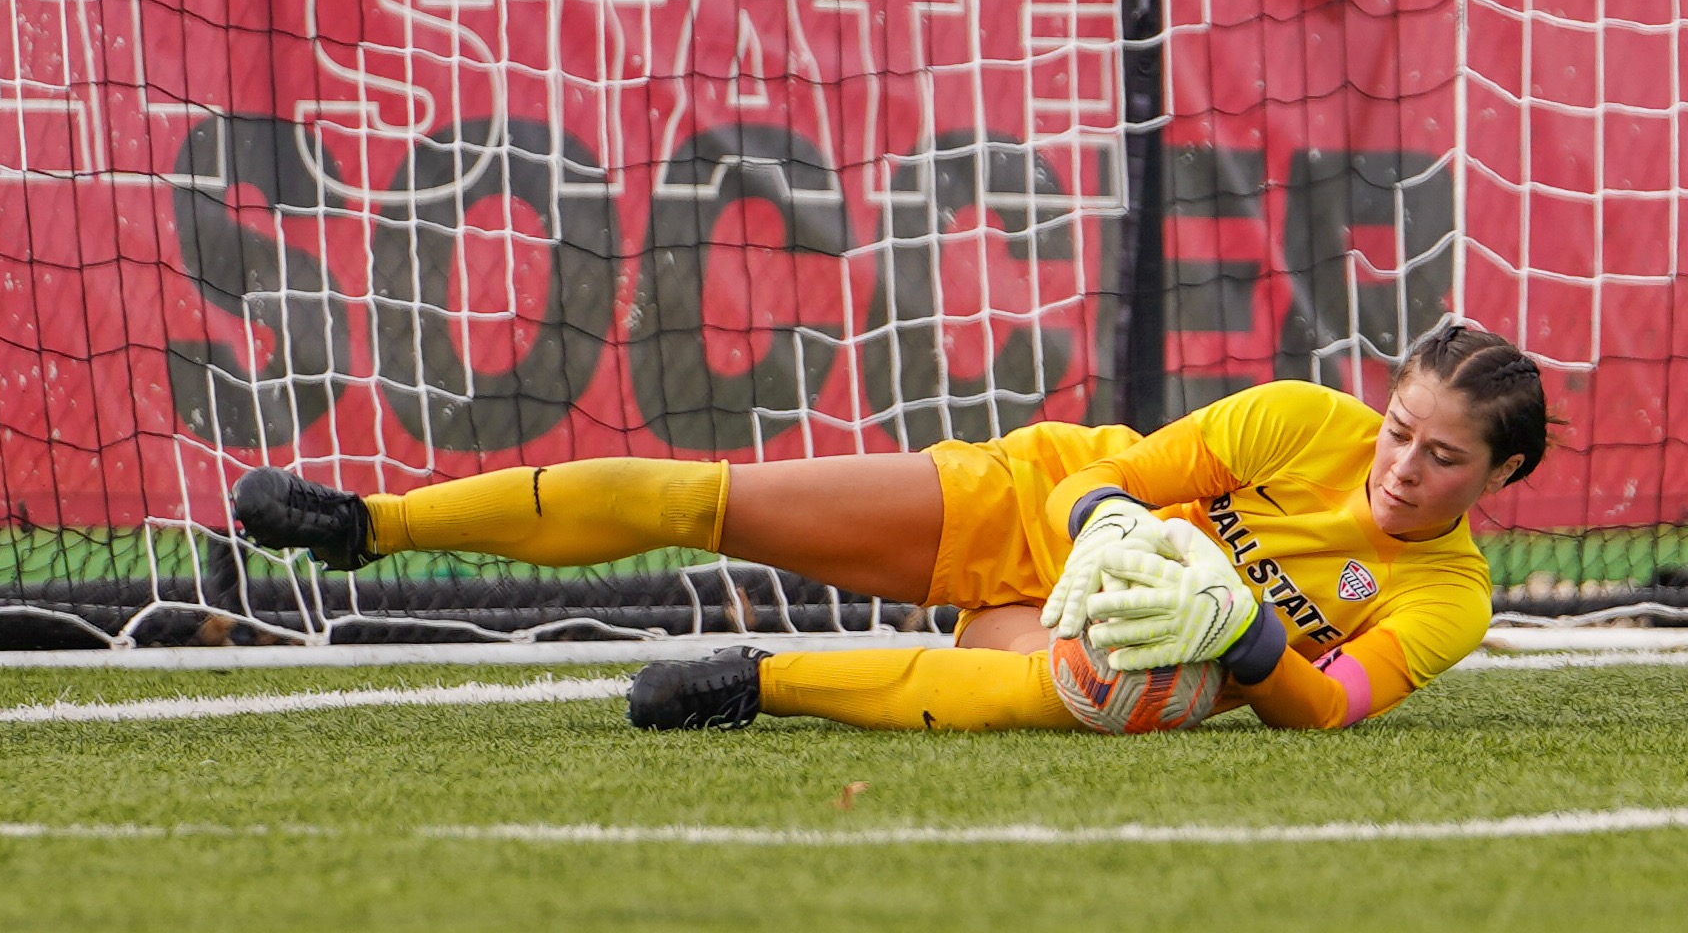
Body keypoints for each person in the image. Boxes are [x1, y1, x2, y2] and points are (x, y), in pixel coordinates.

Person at [230, 321, 1556, 733]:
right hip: (1017, 500)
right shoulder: (1298, 420)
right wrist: (1102, 534)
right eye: (1397, 430)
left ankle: (755, 684)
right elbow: (1109, 483)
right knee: (716, 500)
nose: (1398, 467)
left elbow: (1327, 711)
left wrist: (1243, 635)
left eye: (1440, 459)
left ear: (1496, 480)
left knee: (1061, 695)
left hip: (1089, 625)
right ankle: (372, 523)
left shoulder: (1453, 601)